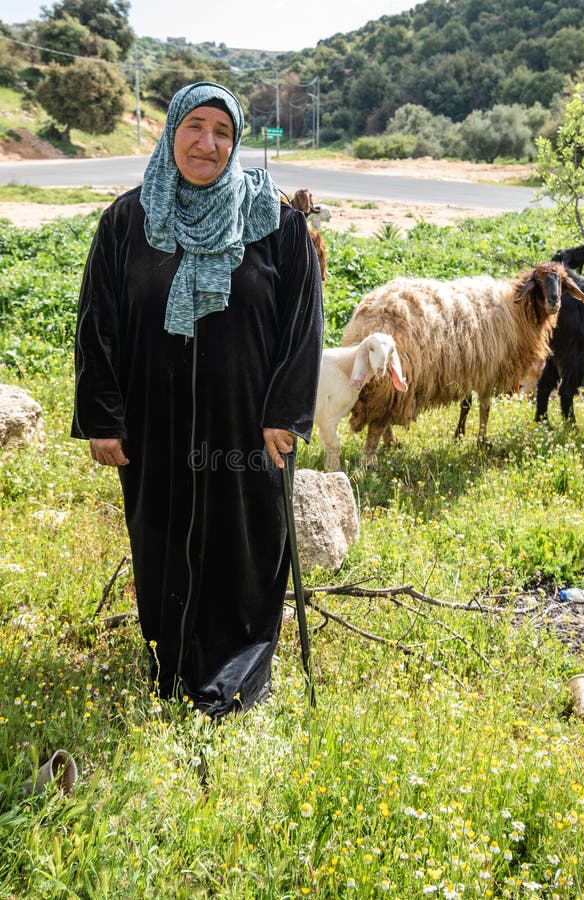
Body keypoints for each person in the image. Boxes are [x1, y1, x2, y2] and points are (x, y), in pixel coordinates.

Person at [72, 82, 323, 716]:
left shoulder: (277, 225)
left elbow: (302, 325)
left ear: (236, 143)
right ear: (172, 131)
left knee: (245, 543)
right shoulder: (129, 220)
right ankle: (171, 662)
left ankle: (236, 678)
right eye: (195, 127)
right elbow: (97, 322)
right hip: (156, 423)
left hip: (246, 427)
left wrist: (285, 415)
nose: (207, 143)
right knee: (161, 539)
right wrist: (104, 417)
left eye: (222, 132)